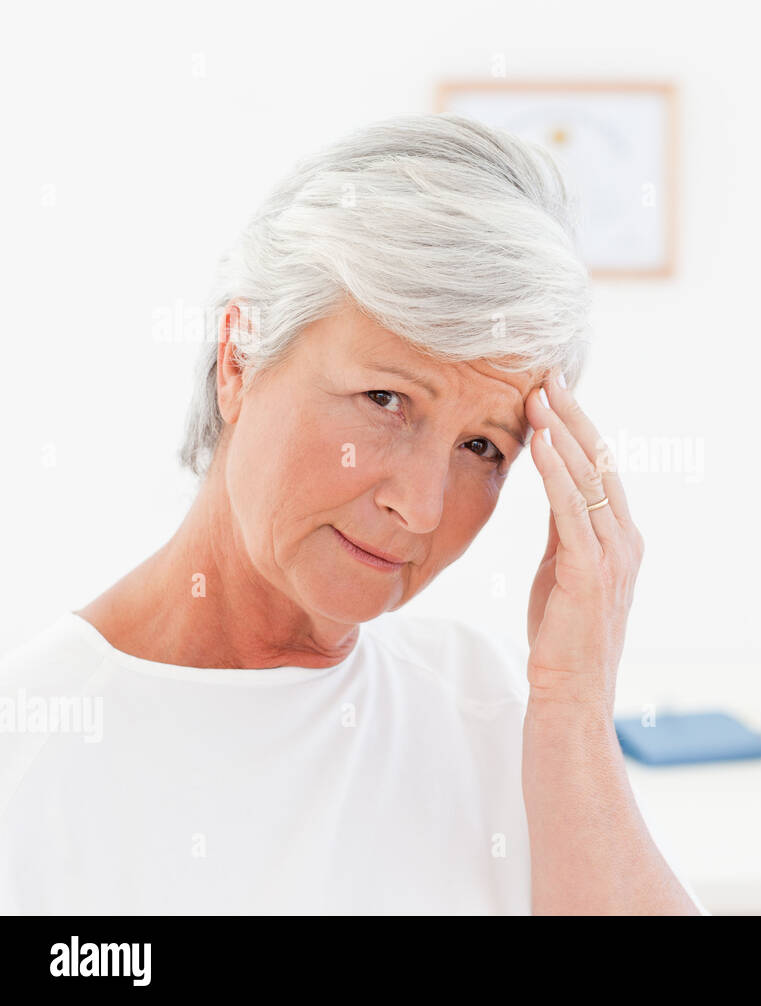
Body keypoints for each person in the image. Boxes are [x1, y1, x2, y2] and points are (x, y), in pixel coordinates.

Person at [0, 113, 703, 915]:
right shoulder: (28, 758)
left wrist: (577, 708)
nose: (421, 505)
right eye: (386, 399)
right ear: (239, 359)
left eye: (482, 448)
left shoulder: (510, 710)